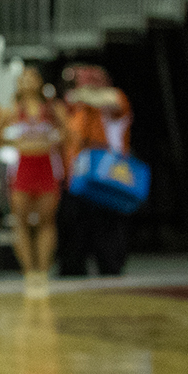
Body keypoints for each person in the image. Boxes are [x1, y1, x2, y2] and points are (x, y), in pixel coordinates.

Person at [0, 65, 66, 286]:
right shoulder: (10, 111)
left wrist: (52, 138)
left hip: (46, 166)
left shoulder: (52, 109)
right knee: (21, 222)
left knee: (46, 221)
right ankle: (28, 270)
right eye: (23, 77)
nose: (27, 81)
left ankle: (42, 269)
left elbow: (67, 134)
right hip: (22, 167)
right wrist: (16, 141)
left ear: (40, 81)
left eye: (32, 77)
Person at [57, 64, 132, 276]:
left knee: (107, 223)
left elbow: (107, 100)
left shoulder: (113, 98)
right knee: (75, 224)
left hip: (106, 173)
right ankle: (73, 267)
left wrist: (83, 92)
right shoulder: (75, 106)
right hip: (76, 174)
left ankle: (110, 266)